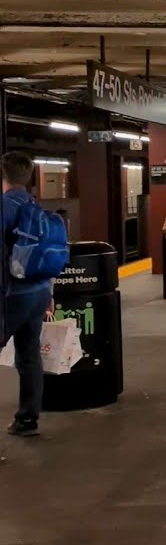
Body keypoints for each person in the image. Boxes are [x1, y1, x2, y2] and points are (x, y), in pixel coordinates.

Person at [1, 151, 53, 437]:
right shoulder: (36, 206)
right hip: (39, 292)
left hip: (12, 293)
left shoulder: (5, 207)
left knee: (27, 355)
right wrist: (50, 293)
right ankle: (27, 420)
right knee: (29, 355)